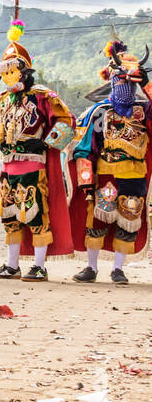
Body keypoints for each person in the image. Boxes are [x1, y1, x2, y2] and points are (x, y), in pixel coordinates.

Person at [0, 12, 75, 282]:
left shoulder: (43, 96)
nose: (10, 76)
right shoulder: (1, 100)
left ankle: (39, 266)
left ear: (25, 71)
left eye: (14, 70)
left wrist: (45, 141)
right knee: (9, 215)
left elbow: (66, 122)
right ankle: (12, 265)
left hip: (34, 163)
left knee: (34, 213)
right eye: (6, 71)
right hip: (8, 165)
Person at [69, 40, 152, 284]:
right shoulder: (99, 112)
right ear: (111, 81)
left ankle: (118, 269)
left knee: (129, 220)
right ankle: (91, 267)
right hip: (106, 174)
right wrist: (85, 178)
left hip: (135, 173)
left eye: (128, 80)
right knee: (98, 219)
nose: (123, 85)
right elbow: (86, 148)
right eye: (119, 80)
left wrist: (146, 84)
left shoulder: (145, 110)